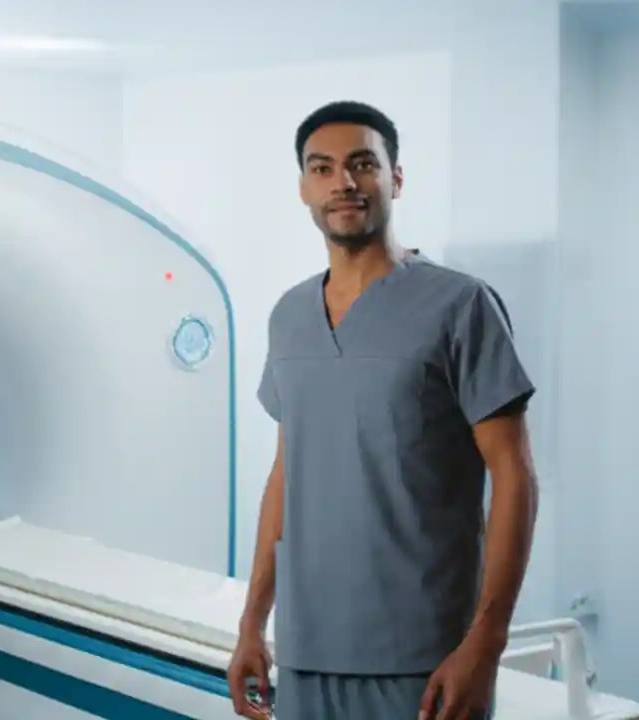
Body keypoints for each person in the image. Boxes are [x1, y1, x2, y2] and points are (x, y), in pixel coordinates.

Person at [227, 100, 539, 720]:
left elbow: (514, 475)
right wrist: (252, 625)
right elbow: (287, 475)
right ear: (303, 188)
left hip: (425, 657)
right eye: (322, 168)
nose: (343, 182)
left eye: (362, 164)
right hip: (307, 650)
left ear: (395, 179)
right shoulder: (289, 316)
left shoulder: (460, 305)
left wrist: (487, 642)